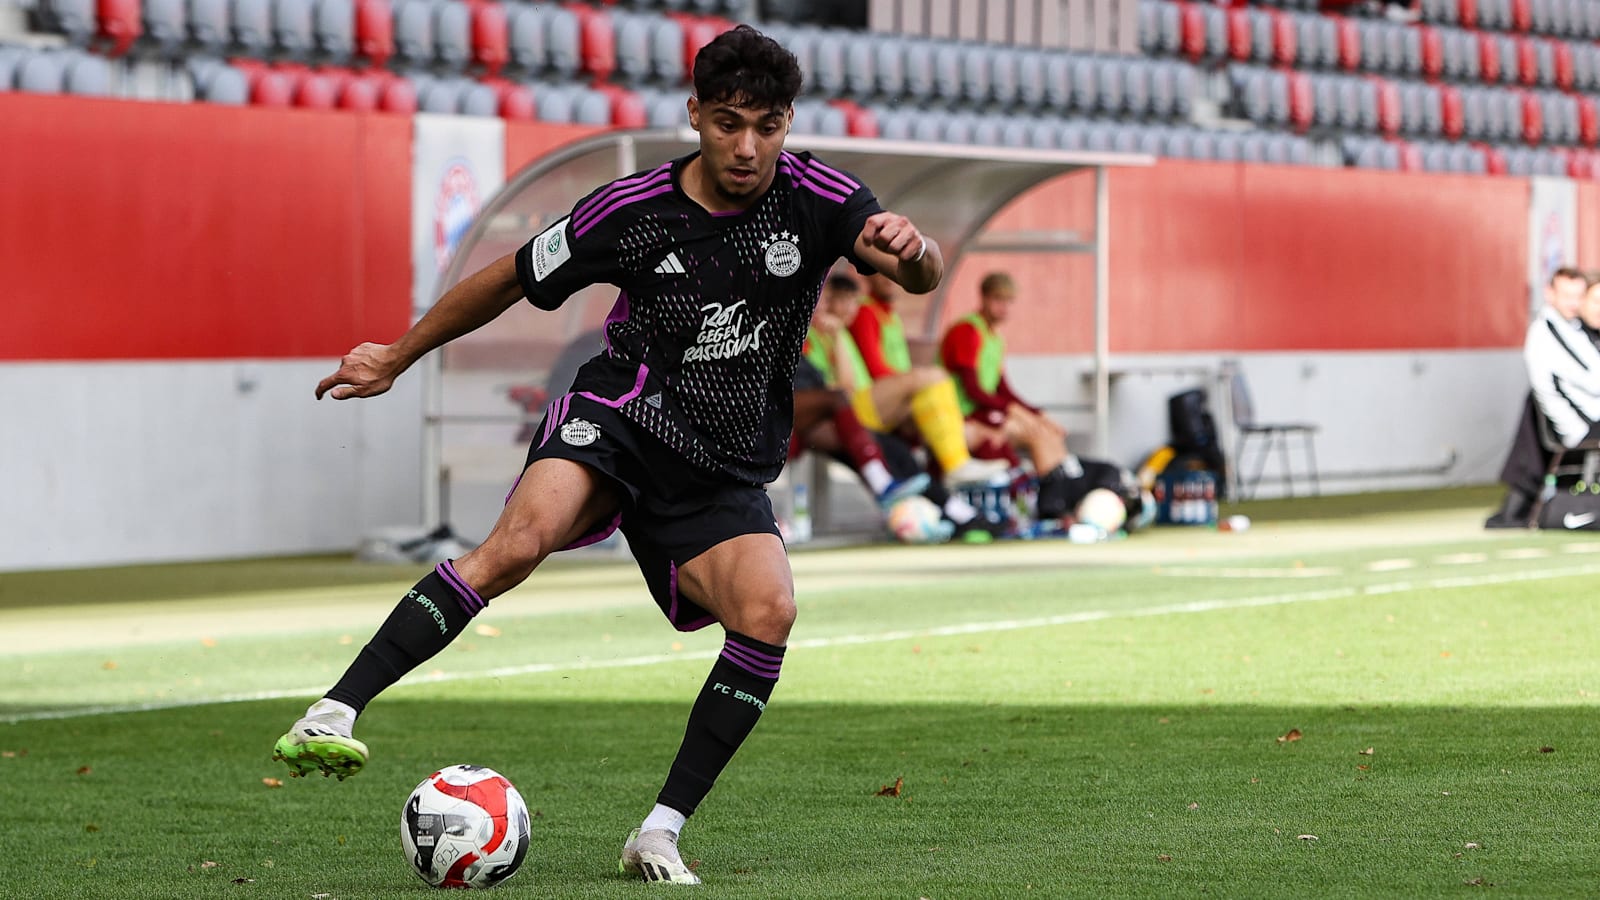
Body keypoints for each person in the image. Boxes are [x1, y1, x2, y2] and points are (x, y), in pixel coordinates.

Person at [270, 26, 944, 885]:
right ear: (694, 114)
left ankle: (656, 833)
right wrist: (398, 354)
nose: (747, 147)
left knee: (769, 612)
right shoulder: (626, 211)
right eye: (729, 122)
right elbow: (513, 274)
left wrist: (914, 252)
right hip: (619, 417)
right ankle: (335, 708)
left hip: (724, 462)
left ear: (787, 124)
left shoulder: (816, 194)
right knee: (517, 544)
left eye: (767, 126)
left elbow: (913, 272)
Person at [940, 271, 1129, 521]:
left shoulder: (994, 338)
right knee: (1035, 433)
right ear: (983, 298)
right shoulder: (966, 331)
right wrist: (1018, 414)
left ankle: (1066, 496)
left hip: (985, 412)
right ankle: (1053, 505)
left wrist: (1039, 415)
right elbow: (973, 390)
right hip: (964, 416)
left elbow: (1003, 389)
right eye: (998, 299)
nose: (1004, 307)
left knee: (1046, 430)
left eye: (1008, 301)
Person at [806, 272, 1007, 488]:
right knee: (931, 378)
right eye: (828, 300)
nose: (848, 308)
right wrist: (908, 382)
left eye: (851, 301)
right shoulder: (821, 333)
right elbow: (847, 388)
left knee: (944, 410)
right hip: (850, 414)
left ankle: (956, 475)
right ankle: (956, 465)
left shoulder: (843, 330)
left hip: (870, 405)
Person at [1486, 267, 1600, 528]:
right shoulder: (1546, 331)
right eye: (1567, 295)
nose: (1573, 303)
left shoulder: (1576, 329)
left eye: (1578, 296)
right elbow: (1593, 381)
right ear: (1550, 294)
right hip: (1580, 426)